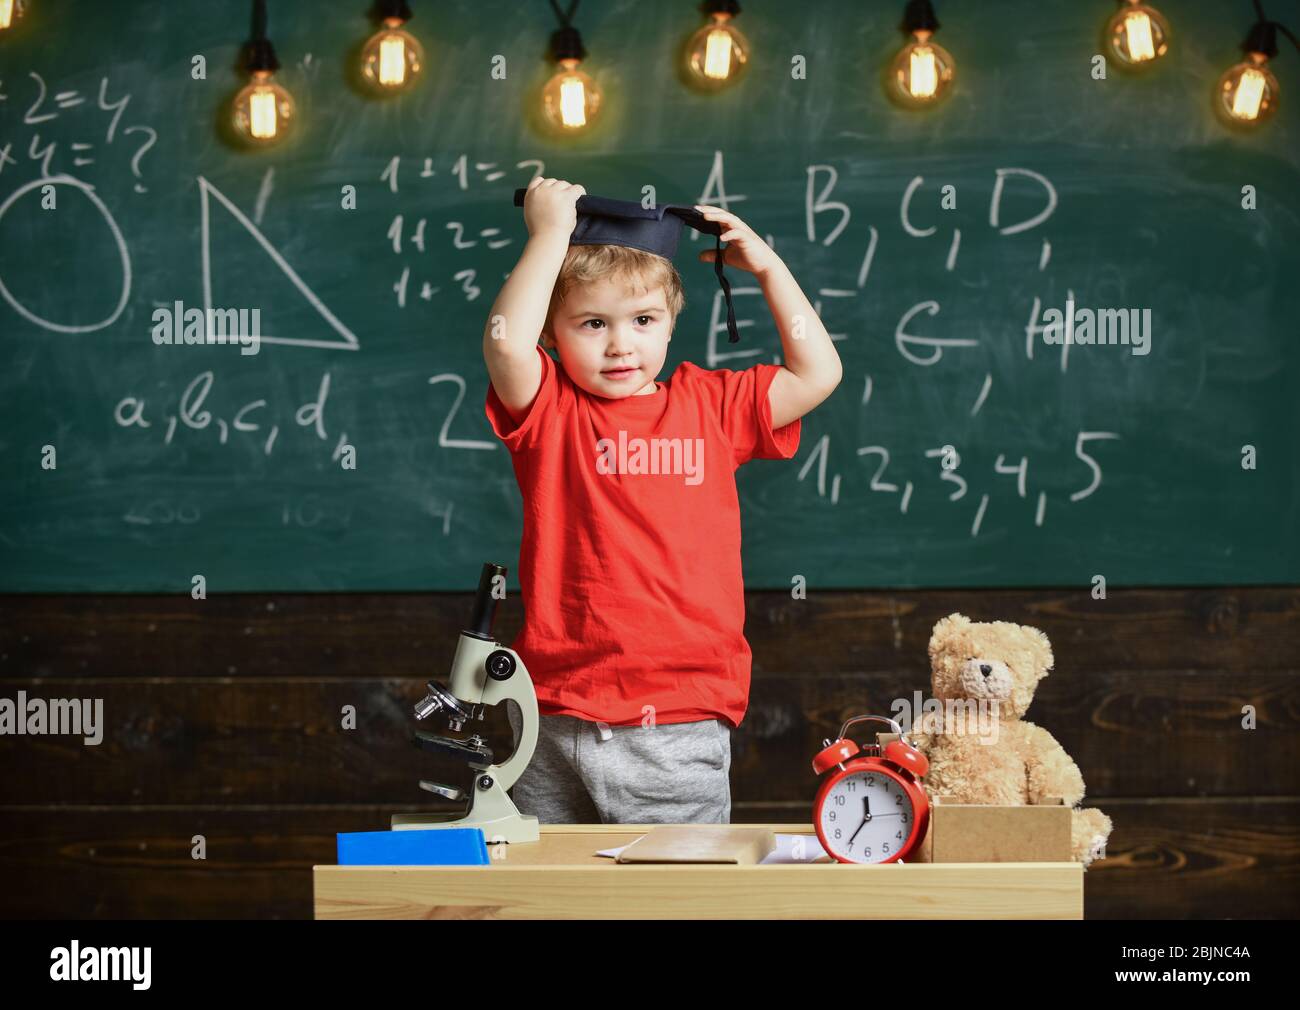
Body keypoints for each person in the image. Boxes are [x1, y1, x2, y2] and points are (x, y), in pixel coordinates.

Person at [483, 176, 842, 825]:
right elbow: (507, 341)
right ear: (555, 332)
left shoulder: (712, 406)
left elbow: (819, 373)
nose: (621, 344)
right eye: (592, 323)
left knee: (677, 899)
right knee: (544, 897)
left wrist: (767, 266)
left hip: (674, 717)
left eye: (643, 320)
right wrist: (549, 236)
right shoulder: (552, 410)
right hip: (548, 712)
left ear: (672, 323)